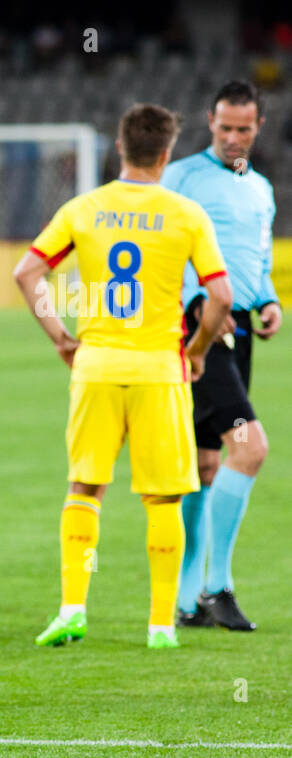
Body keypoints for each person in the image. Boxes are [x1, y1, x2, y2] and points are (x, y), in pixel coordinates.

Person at [14, 104, 233, 650]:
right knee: (162, 500)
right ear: (166, 154)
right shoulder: (185, 214)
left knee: (85, 488)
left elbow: (28, 272)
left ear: (119, 148)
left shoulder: (85, 208)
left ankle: (71, 609)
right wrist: (198, 350)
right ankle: (161, 624)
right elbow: (221, 299)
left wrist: (60, 336)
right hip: (160, 369)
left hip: (97, 367)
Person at [162, 80, 281, 632]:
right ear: (209, 122)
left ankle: (186, 602)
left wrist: (270, 301)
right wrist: (188, 314)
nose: (233, 137)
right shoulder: (182, 177)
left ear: (259, 126)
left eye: (244, 128)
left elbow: (255, 254)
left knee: (208, 463)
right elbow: (160, 247)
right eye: (224, 126)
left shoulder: (260, 187)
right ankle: (217, 587)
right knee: (249, 447)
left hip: (240, 327)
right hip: (198, 324)